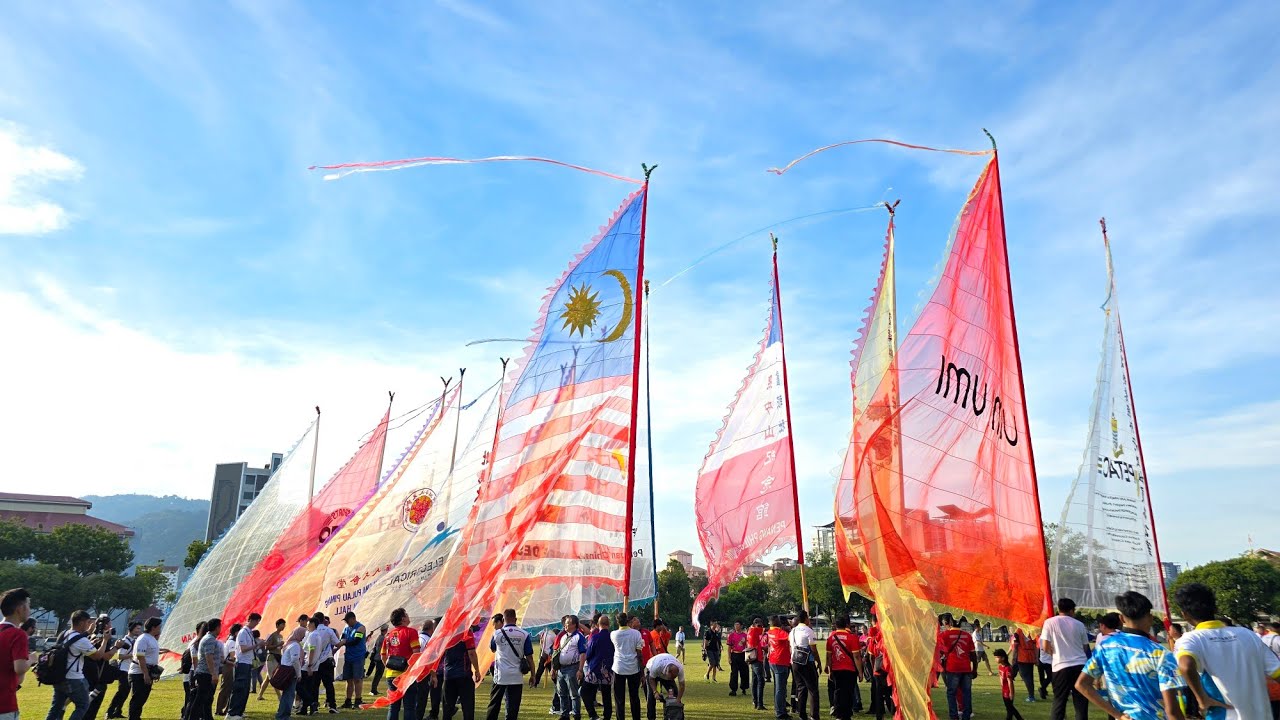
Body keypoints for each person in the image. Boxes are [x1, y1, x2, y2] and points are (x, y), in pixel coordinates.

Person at [1174, 582, 1280, 720]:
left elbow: (1186, 665)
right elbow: (1277, 672)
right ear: (1215, 607)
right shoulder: (1248, 634)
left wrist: (1202, 699)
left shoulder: (1190, 639)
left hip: (1224, 715)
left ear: (1184, 614)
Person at [1076, 591, 1184, 720]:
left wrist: (1117, 715)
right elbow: (1172, 710)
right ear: (1150, 617)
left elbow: (1082, 684)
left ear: (1121, 619)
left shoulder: (1106, 647)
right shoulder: (1160, 653)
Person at [46, 610, 114, 720]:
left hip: (59, 676)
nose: (90, 626)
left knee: (56, 708)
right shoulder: (81, 639)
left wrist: (89, 643)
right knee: (83, 706)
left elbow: (73, 651)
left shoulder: (64, 634)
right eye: (88, 622)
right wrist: (105, 640)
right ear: (82, 622)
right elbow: (98, 656)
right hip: (73, 678)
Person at [1040, 598, 1091, 720]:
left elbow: (1044, 645)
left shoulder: (1050, 622)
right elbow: (1085, 647)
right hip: (1080, 666)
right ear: (1072, 610)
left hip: (1061, 666)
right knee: (1081, 703)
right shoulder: (1079, 624)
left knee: (1059, 701)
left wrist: (1055, 654)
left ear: (1059, 609)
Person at [487, 609, 530, 720]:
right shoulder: (524, 634)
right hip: (516, 675)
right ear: (515, 619)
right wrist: (534, 675)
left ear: (503, 620)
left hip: (501, 675)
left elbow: (492, 649)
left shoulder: (496, 633)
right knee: (513, 707)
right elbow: (529, 657)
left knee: (494, 703)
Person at [937, 613, 977, 720]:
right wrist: (975, 669)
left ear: (947, 623)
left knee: (951, 693)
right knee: (966, 693)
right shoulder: (967, 635)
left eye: (944, 623)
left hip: (952, 669)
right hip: (966, 669)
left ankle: (954, 716)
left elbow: (939, 652)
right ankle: (966, 716)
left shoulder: (944, 635)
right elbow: (973, 655)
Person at [381, 609, 419, 720]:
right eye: (406, 615)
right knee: (409, 707)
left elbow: (383, 655)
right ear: (403, 619)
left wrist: (389, 667)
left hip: (391, 675)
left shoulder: (388, 635)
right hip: (407, 675)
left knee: (393, 707)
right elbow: (416, 653)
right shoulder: (411, 632)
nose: (408, 616)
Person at [2, 588, 32, 720]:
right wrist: (31, 660)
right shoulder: (18, 634)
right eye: (28, 606)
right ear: (20, 609)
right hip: (5, 705)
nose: (29, 610)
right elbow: (19, 669)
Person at [825, 617, 863, 720]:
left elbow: (828, 657)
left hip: (836, 669)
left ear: (835, 626)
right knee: (849, 692)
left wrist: (829, 670)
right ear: (847, 625)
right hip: (849, 670)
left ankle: (838, 713)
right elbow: (856, 657)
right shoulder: (852, 637)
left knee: (838, 691)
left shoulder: (830, 638)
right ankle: (846, 714)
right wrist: (860, 672)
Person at [437, 631, 479, 720]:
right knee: (468, 707)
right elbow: (471, 653)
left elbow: (439, 653)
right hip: (464, 675)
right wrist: (477, 670)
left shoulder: (446, 633)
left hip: (448, 675)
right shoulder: (466, 633)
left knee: (447, 708)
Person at [104, 621, 142, 720]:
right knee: (122, 692)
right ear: (131, 629)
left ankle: (118, 711)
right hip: (123, 669)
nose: (139, 630)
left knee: (125, 692)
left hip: (130, 669)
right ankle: (109, 711)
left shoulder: (135, 640)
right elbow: (120, 656)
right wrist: (134, 655)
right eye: (137, 628)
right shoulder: (125, 641)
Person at [125, 618, 162, 720]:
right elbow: (140, 657)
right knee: (137, 699)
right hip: (139, 673)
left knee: (142, 699)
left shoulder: (152, 638)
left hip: (147, 672)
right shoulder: (143, 638)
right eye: (159, 626)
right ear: (153, 627)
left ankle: (136, 717)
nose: (160, 628)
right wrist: (145, 674)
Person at [227, 613, 261, 720]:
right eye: (256, 621)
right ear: (250, 620)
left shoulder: (249, 632)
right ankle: (232, 713)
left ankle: (239, 712)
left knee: (245, 689)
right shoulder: (243, 632)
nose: (256, 624)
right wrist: (257, 645)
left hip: (248, 663)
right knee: (239, 688)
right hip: (242, 663)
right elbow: (243, 649)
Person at [610, 613, 643, 720]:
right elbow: (639, 654)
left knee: (619, 698)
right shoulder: (636, 633)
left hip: (619, 667)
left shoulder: (613, 634)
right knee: (634, 697)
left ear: (617, 622)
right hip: (633, 667)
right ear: (629, 621)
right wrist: (642, 671)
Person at [553, 616, 587, 720]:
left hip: (572, 668)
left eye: (567, 623)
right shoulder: (563, 636)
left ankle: (576, 714)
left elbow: (582, 654)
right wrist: (554, 668)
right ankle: (564, 714)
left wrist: (580, 669)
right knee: (562, 693)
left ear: (574, 625)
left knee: (574, 694)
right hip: (561, 669)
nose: (565, 625)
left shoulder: (579, 637)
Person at [789, 611, 822, 720]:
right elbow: (813, 649)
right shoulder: (808, 631)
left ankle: (802, 714)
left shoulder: (792, 631)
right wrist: (819, 661)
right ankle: (814, 715)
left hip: (795, 662)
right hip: (807, 662)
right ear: (805, 618)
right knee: (813, 690)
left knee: (801, 688)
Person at [580, 615, 612, 720]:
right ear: (609, 624)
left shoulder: (595, 637)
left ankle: (592, 714)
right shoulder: (612, 637)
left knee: (584, 691)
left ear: (598, 625)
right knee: (606, 695)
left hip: (594, 669)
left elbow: (588, 653)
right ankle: (607, 716)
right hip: (608, 670)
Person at [193, 619, 226, 720]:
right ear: (216, 627)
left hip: (206, 673)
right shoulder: (210, 639)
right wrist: (214, 674)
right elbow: (209, 657)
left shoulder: (210, 638)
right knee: (200, 699)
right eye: (220, 626)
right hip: (205, 673)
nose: (221, 628)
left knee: (207, 699)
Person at [340, 612, 368, 709]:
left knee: (357, 679)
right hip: (348, 657)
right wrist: (343, 641)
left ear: (353, 619)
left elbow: (356, 640)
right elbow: (342, 638)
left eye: (348, 621)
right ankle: (348, 700)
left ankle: (358, 699)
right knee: (348, 680)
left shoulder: (361, 628)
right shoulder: (346, 628)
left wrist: (345, 642)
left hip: (358, 657)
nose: (347, 623)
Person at [642, 653, 684, 720]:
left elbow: (682, 685)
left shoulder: (679, 668)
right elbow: (651, 679)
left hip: (664, 670)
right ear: (667, 672)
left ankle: (675, 716)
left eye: (674, 678)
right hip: (650, 671)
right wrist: (655, 692)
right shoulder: (656, 666)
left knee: (674, 694)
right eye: (671, 678)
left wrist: (678, 699)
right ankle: (651, 718)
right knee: (651, 697)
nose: (672, 679)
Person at [277, 627, 305, 720]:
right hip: (290, 672)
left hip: (285, 670)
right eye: (303, 634)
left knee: (287, 694)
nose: (303, 637)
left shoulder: (289, 644)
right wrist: (299, 674)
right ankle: (284, 716)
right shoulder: (295, 645)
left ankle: (282, 714)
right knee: (289, 695)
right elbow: (295, 660)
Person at [766, 616, 791, 720]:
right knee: (780, 689)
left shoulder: (769, 632)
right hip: (780, 661)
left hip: (773, 660)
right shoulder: (779, 632)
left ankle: (780, 709)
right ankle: (780, 712)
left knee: (779, 688)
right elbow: (791, 637)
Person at [316, 616, 340, 714]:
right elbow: (337, 643)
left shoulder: (311, 631)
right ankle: (332, 706)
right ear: (323, 620)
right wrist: (343, 642)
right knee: (329, 685)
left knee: (315, 685)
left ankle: (314, 706)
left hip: (315, 662)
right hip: (327, 661)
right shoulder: (329, 630)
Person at [215, 624, 240, 717]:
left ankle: (224, 709)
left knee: (227, 688)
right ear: (236, 632)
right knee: (226, 688)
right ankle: (220, 709)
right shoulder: (232, 642)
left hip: (228, 665)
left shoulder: (230, 640)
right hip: (229, 666)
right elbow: (233, 656)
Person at [994, 650, 1026, 720]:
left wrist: (1011, 693)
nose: (995, 659)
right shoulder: (1000, 667)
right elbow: (1000, 677)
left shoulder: (1007, 668)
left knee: (1010, 707)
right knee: (1008, 707)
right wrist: (1001, 686)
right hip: (1004, 690)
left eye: (997, 657)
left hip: (1008, 691)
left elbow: (1010, 681)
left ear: (1003, 658)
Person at [260, 619, 287, 701]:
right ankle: (279, 696)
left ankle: (260, 695)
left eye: (284, 625)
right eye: (282, 624)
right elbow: (267, 647)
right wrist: (278, 645)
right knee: (273, 677)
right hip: (271, 657)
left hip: (278, 657)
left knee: (268, 677)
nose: (283, 626)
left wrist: (281, 647)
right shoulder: (272, 635)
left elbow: (278, 647)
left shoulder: (281, 636)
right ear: (277, 625)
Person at [1010, 627, 1039, 702]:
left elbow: (1015, 646)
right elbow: (1035, 645)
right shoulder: (1032, 630)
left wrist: (1014, 658)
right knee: (1030, 676)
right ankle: (1031, 695)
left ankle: (1031, 696)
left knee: (1025, 677)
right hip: (1031, 656)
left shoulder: (1019, 631)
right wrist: (1036, 658)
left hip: (1022, 656)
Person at [747, 617, 767, 711]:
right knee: (760, 681)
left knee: (755, 681)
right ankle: (759, 703)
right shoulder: (754, 630)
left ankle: (755, 701)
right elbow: (765, 630)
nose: (761, 627)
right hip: (756, 658)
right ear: (755, 625)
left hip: (753, 657)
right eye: (759, 625)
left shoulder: (751, 630)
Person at [727, 622, 749, 698]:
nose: (736, 626)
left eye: (738, 625)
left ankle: (744, 688)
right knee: (734, 673)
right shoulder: (731, 635)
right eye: (735, 625)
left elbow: (747, 646)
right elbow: (729, 647)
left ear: (741, 626)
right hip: (735, 655)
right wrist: (729, 657)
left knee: (744, 672)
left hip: (742, 655)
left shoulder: (745, 636)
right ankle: (733, 689)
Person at [533, 626, 559, 690]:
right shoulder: (544, 633)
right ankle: (535, 683)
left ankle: (557, 684)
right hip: (544, 654)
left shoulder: (552, 635)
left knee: (551, 670)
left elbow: (556, 644)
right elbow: (542, 644)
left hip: (549, 655)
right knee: (540, 670)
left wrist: (551, 654)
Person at [367, 625, 388, 697]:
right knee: (378, 675)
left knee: (378, 675)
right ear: (385, 630)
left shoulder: (380, 637)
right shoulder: (382, 638)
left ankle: (374, 689)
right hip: (379, 658)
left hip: (377, 657)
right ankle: (373, 690)